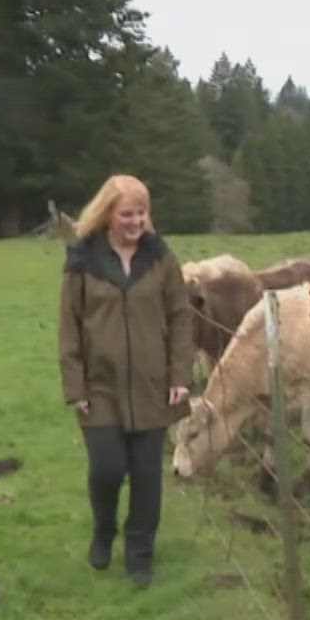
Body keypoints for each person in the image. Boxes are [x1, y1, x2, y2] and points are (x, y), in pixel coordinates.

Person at [57, 174, 195, 588]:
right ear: (108, 215)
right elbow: (69, 325)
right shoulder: (82, 260)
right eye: (127, 214)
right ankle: (104, 530)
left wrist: (180, 375)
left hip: (153, 384)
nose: (136, 222)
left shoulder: (161, 257)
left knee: (148, 476)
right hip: (100, 386)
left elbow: (180, 316)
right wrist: (75, 386)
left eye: (142, 213)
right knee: (107, 468)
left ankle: (140, 555)